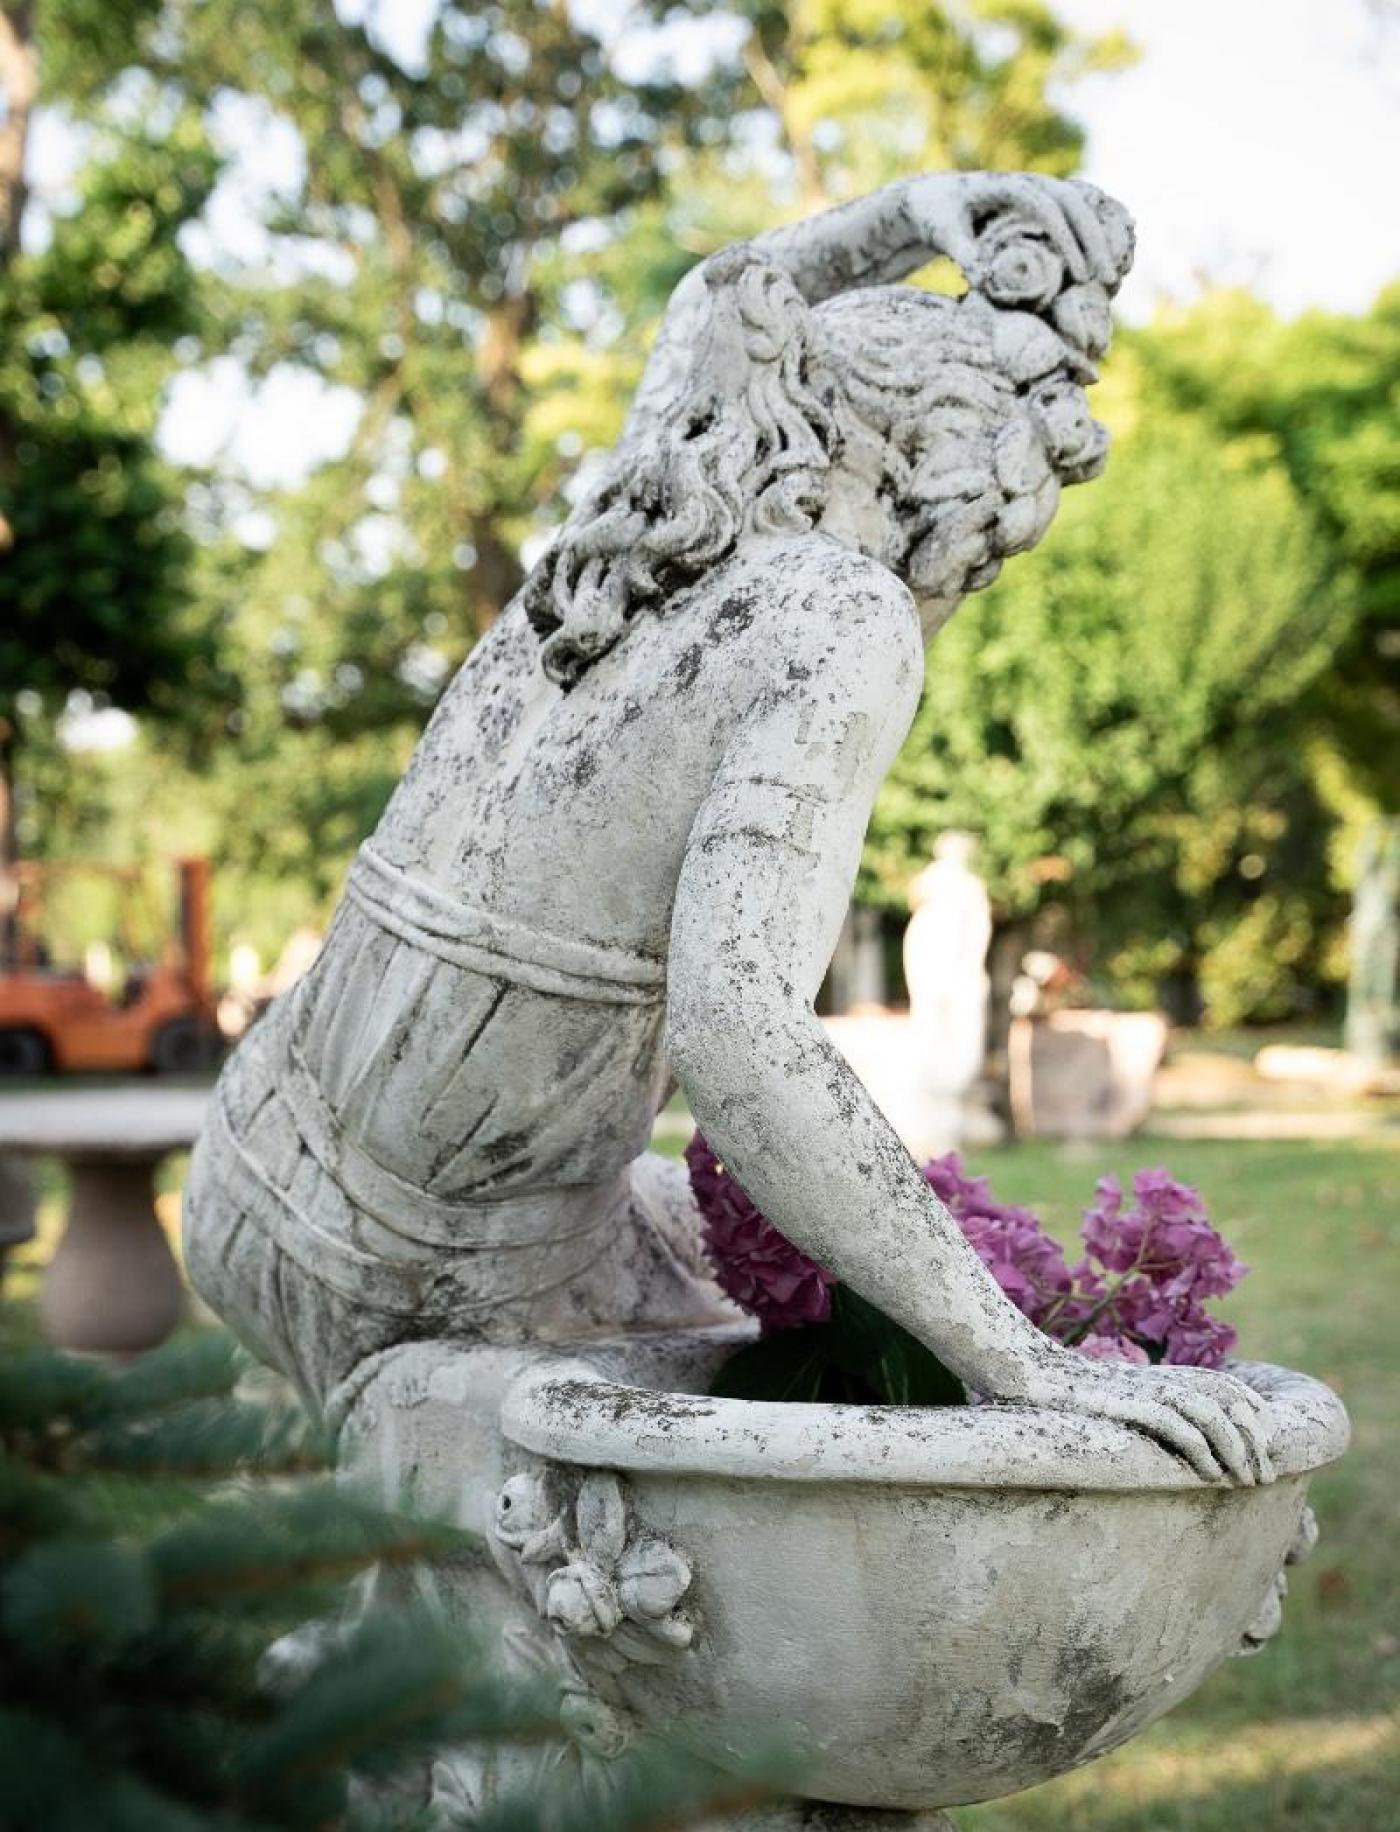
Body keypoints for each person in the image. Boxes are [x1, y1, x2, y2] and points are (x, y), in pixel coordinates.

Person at [184, 172, 1271, 1486]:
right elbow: (737, 1034)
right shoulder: (833, 612)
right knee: (862, 1380)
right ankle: (429, 1476)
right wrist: (1022, 1360)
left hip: (243, 1178)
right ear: (922, 485)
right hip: (417, 1274)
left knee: (812, 1269)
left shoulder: (637, 529)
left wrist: (925, 209)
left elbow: (725, 295)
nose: (954, 591)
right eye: (971, 553)